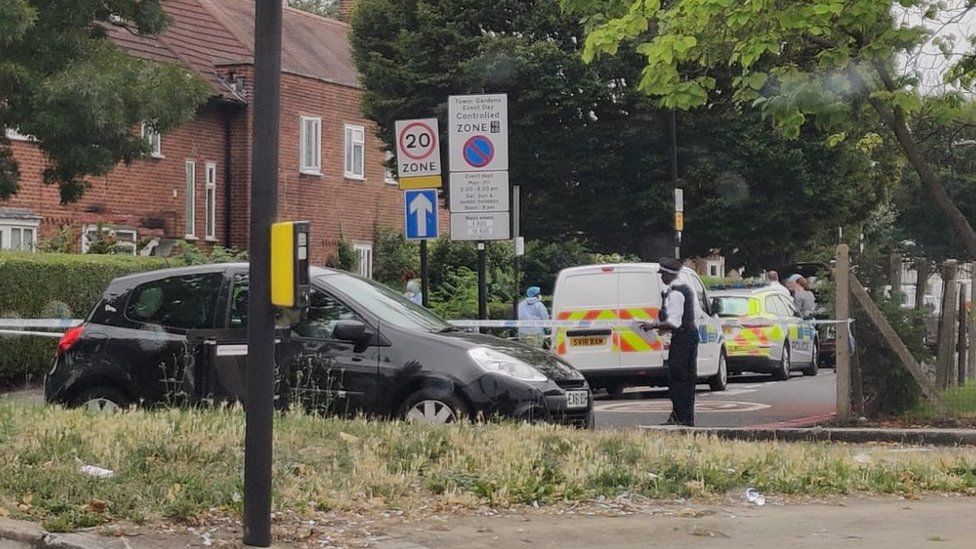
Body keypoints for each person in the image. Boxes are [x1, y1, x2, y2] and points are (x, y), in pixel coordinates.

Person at [636, 258, 699, 427]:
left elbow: (674, 322)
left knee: (679, 378)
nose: (661, 277)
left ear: (668, 274)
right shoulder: (679, 288)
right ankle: (681, 416)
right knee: (683, 378)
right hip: (686, 336)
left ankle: (682, 418)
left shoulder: (677, 293)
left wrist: (653, 326)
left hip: (684, 338)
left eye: (662, 274)